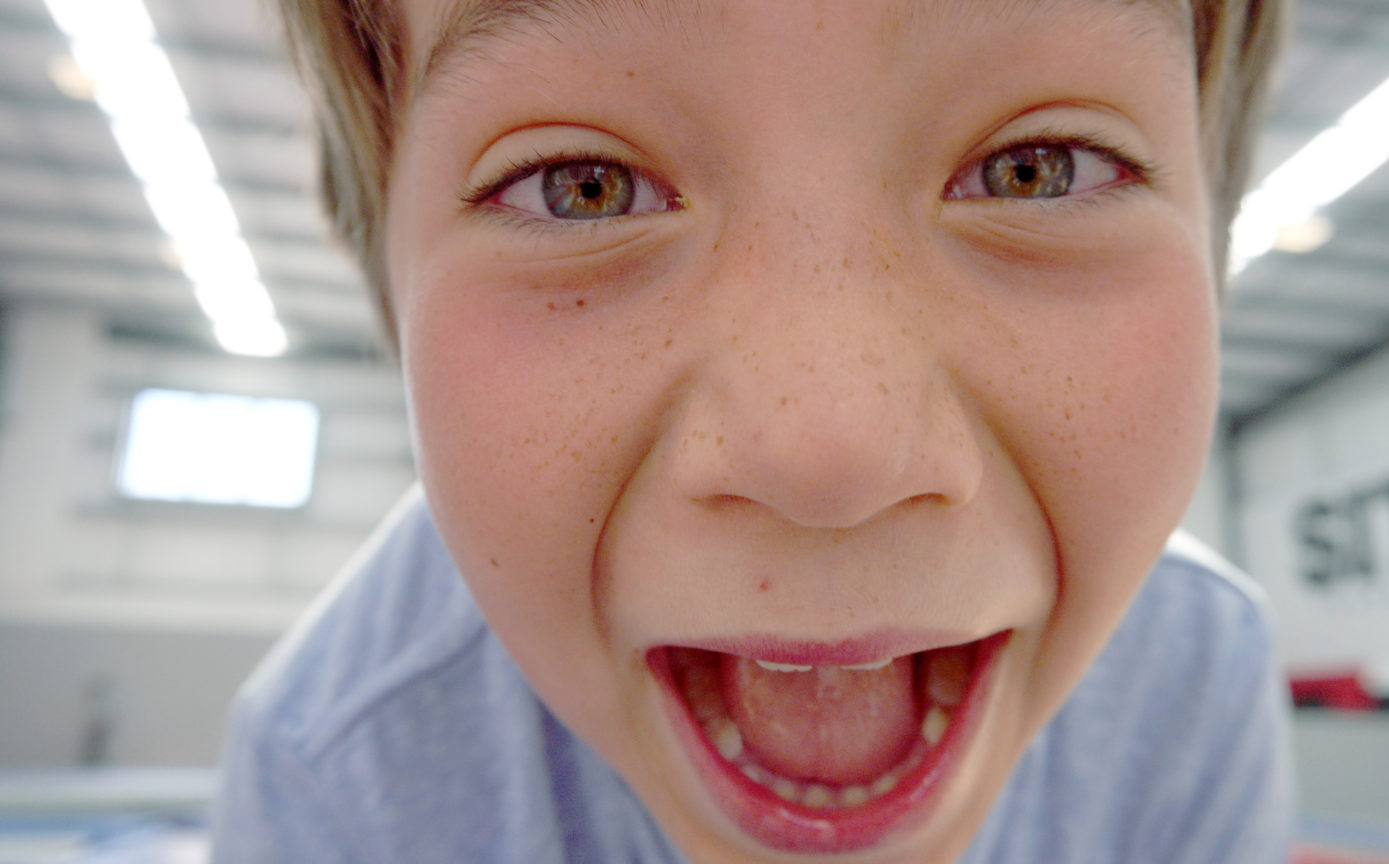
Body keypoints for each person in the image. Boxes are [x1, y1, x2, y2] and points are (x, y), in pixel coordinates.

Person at [212, 0, 1295, 861]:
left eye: (1039, 168)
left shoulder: (1195, 679)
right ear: (395, 311)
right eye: (581, 189)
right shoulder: (335, 763)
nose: (830, 452)